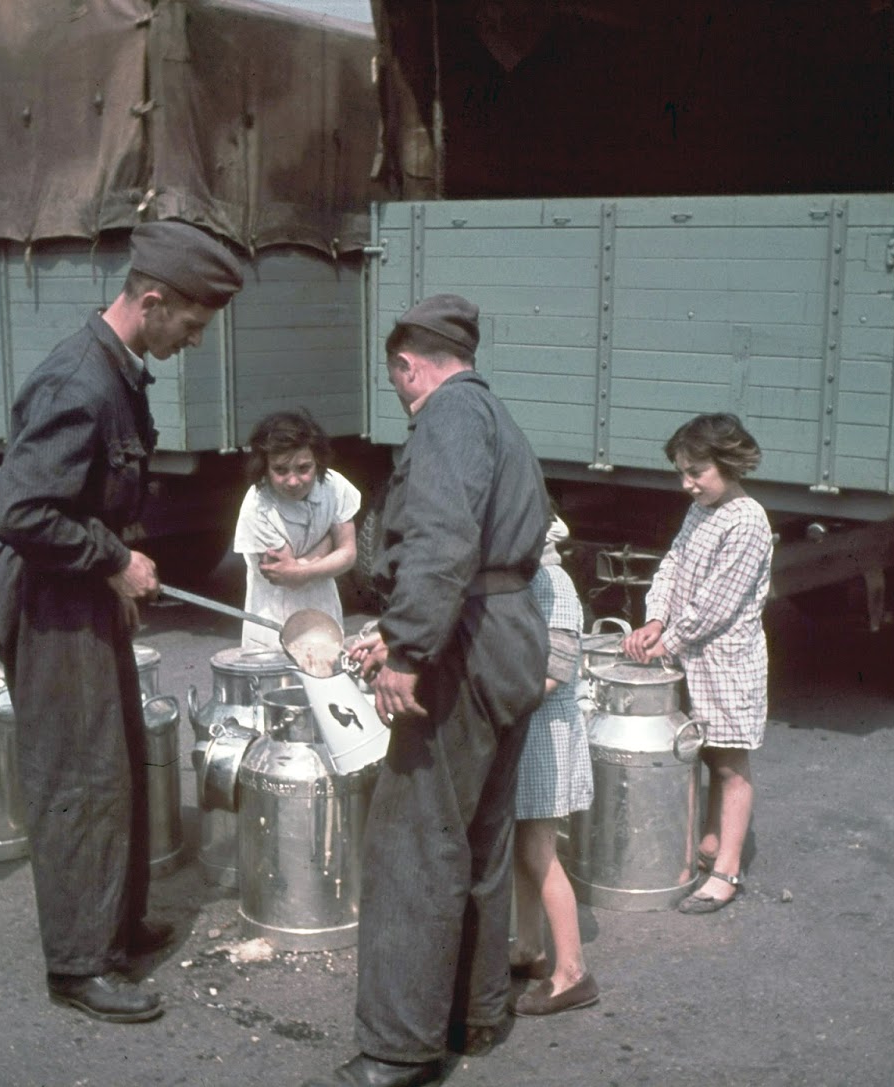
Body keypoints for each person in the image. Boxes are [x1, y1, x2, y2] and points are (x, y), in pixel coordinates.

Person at [0, 220, 245, 1023]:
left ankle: (114, 924)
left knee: (119, 760)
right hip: (52, 599)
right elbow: (19, 510)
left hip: (81, 590)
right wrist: (112, 561)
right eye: (191, 327)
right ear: (153, 300)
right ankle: (79, 963)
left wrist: (110, 568)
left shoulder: (118, 372)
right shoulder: (80, 380)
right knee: (79, 776)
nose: (194, 342)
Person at [307, 294, 550, 1087]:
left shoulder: (445, 418)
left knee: (414, 841)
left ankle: (397, 1050)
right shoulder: (497, 418)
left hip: (464, 644)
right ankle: (473, 1015)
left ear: (410, 366)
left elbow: (443, 539)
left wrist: (407, 649)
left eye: (397, 380)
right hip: (507, 630)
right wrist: (404, 628)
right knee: (480, 833)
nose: (401, 392)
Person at [621, 412, 772, 915]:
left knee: (730, 763)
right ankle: (709, 842)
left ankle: (726, 870)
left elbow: (718, 602)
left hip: (727, 665)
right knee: (703, 754)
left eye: (696, 473)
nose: (686, 484)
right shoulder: (701, 512)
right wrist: (656, 618)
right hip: (692, 659)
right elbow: (673, 564)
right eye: (681, 472)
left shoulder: (748, 520)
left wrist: (672, 637)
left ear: (728, 464)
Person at [509, 516, 599, 1016]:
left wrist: (506, 703)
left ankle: (573, 972)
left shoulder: (554, 581)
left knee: (539, 849)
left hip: (546, 732)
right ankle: (529, 947)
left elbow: (558, 665)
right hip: (526, 730)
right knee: (522, 844)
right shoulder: (524, 578)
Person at [232, 410, 360, 647]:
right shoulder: (258, 505)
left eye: (303, 468)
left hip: (324, 613)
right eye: (280, 470)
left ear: (318, 462)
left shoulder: (335, 487)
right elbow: (288, 577)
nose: (293, 481)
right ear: (265, 467)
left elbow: (349, 554)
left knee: (326, 677)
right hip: (273, 620)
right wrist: (329, 541)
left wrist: (303, 568)